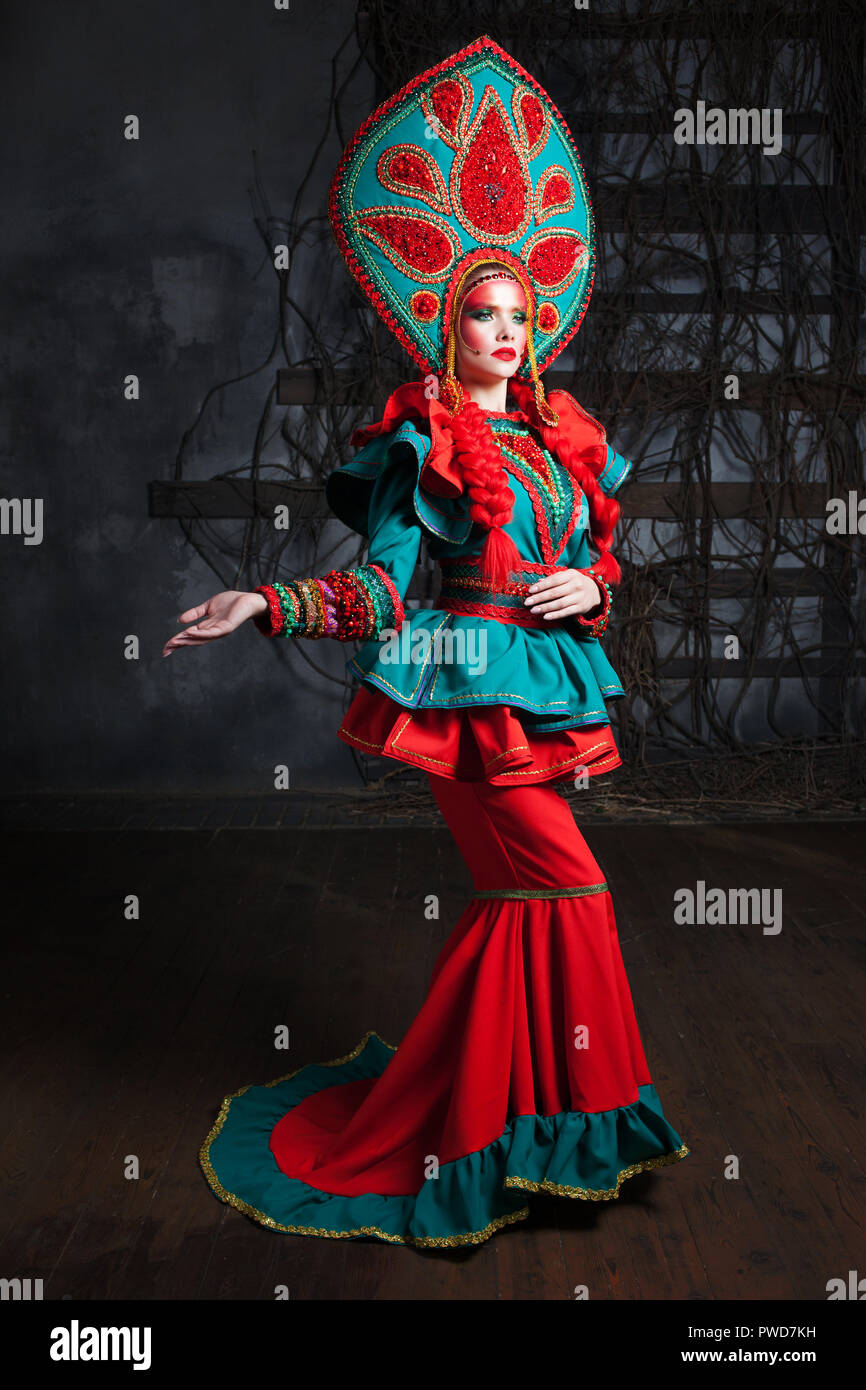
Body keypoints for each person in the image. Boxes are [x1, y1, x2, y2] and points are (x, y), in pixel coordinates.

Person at [163, 34, 689, 1248]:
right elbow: (385, 591)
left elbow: (596, 563)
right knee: (560, 890)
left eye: (518, 312)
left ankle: (517, 1119)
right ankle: (498, 1127)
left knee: (541, 898)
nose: (504, 330)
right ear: (445, 329)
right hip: (466, 698)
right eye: (481, 315)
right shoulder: (422, 444)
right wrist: (266, 603)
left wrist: (585, 588)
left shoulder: (558, 443)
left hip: (540, 688)